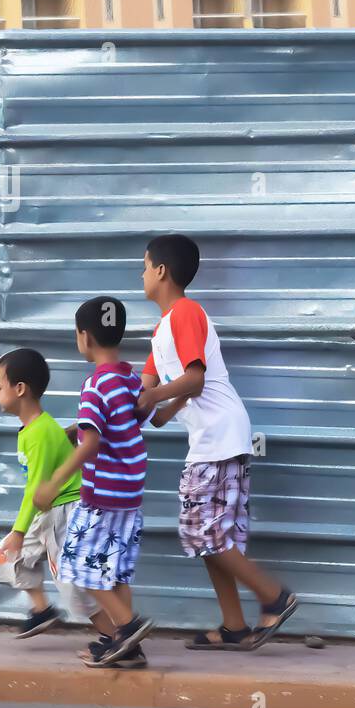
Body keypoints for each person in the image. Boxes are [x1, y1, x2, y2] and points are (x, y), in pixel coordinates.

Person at [135, 234, 298, 651]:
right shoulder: (160, 332)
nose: (141, 273)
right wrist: (138, 410)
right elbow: (155, 395)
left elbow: (194, 378)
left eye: (144, 265)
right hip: (213, 436)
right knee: (211, 539)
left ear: (161, 271)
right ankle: (234, 626)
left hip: (220, 436)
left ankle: (273, 597)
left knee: (201, 534)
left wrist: (154, 398)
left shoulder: (185, 313)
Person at [36, 296, 181, 668]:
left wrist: (53, 482)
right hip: (130, 493)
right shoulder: (130, 379)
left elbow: (93, 443)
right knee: (114, 570)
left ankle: (129, 625)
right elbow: (128, 423)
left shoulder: (93, 385)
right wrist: (78, 429)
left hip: (101, 495)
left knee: (79, 565)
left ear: (84, 337)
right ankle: (127, 646)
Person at [0, 348, 112, 648]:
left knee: (72, 585)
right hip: (44, 511)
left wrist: (19, 531)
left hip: (62, 513)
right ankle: (42, 609)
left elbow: (37, 487)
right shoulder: (32, 430)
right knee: (7, 556)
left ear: (20, 389)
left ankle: (115, 635)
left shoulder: (40, 432)